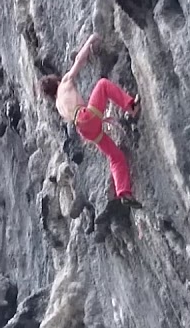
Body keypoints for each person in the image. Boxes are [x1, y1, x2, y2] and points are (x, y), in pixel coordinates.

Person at [38, 31, 142, 210]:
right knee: (103, 85)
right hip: (85, 116)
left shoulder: (58, 106)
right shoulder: (64, 84)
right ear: (55, 81)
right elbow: (79, 60)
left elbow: (83, 120)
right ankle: (131, 107)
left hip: (84, 130)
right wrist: (91, 40)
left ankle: (123, 191)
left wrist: (101, 118)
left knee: (115, 156)